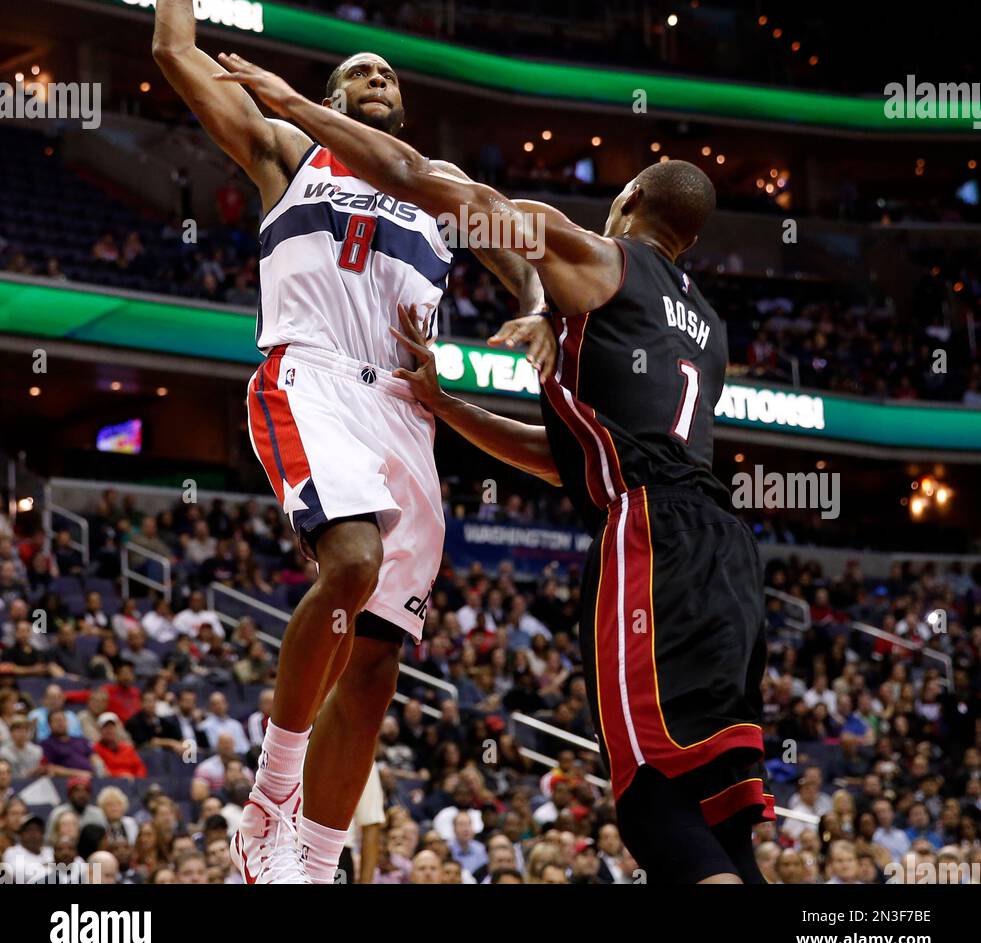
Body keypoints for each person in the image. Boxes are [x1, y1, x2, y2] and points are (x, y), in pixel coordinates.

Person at [215, 50, 770, 886]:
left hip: (649, 538)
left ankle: (277, 803)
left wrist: (294, 104)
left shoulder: (596, 258)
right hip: (732, 558)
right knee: (716, 816)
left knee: (653, 801)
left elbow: (433, 186)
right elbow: (561, 458)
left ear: (624, 204)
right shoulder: (708, 328)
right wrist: (445, 406)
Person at [152, 0, 552, 884]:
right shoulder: (290, 150)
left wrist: (539, 310)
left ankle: (308, 863)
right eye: (365, 71)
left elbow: (531, 256)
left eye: (392, 76)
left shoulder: (438, 184)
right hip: (314, 374)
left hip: (409, 410)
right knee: (352, 561)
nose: (382, 80)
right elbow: (173, 48)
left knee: (376, 664)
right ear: (330, 96)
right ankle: (269, 799)